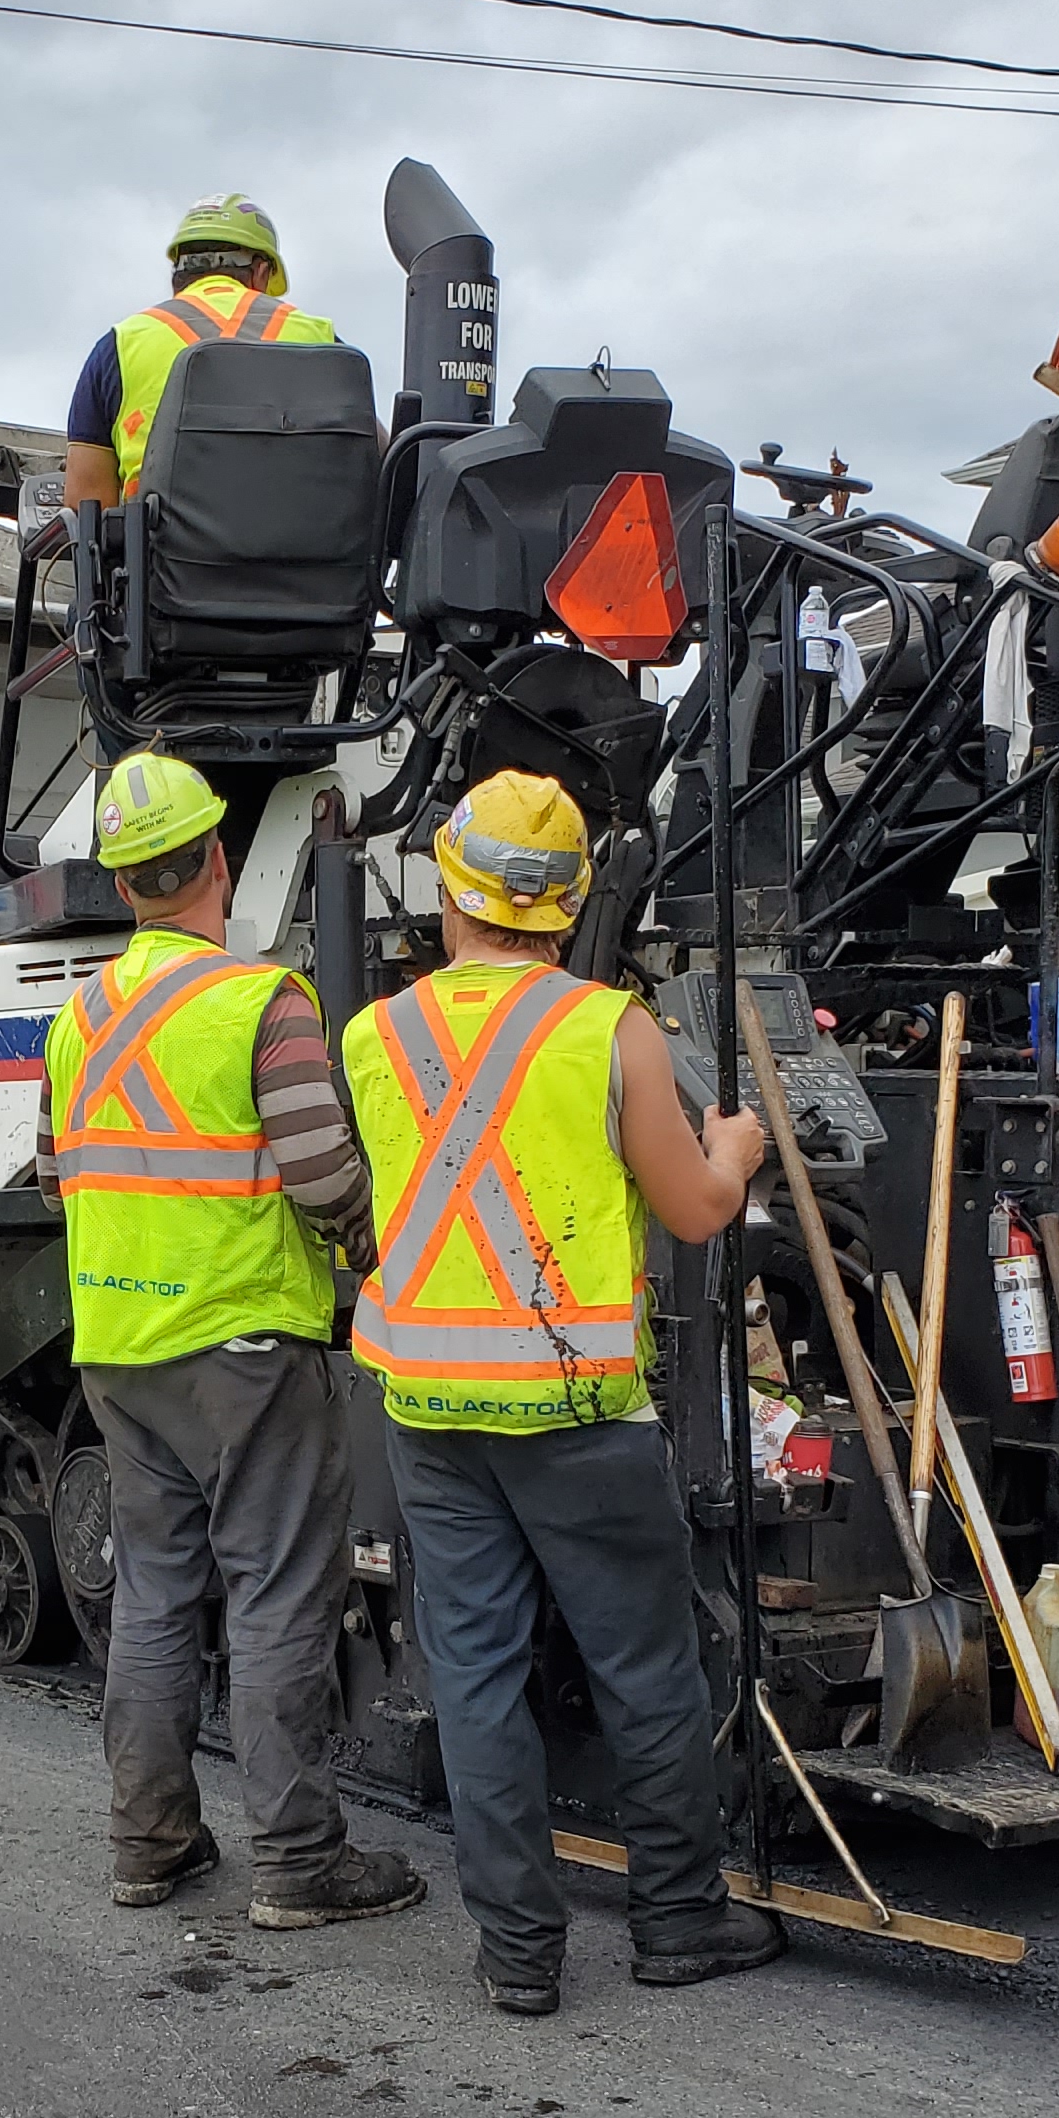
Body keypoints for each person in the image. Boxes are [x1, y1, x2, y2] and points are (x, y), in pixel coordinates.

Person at [340, 771, 778, 2016]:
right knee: (645, 1667)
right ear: (573, 898)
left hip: (427, 1407)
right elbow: (696, 1210)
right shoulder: (608, 1026)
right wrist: (735, 1149)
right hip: (578, 1413)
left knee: (475, 1676)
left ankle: (519, 1956)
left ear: (446, 886)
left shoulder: (378, 1033)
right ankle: (679, 1923)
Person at [36, 751, 423, 1931]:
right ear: (212, 860)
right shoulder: (263, 1001)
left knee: (153, 1596)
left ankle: (147, 1844)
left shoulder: (79, 1018)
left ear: (123, 882)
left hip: (119, 1346)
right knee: (275, 1598)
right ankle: (298, 1862)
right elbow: (319, 1171)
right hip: (248, 1347)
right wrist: (373, 1248)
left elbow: (61, 1181)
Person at [62, 196, 341, 507]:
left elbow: (85, 506)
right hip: (303, 550)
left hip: (160, 553)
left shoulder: (120, 346)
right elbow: (377, 459)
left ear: (178, 275)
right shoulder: (321, 340)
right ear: (262, 272)